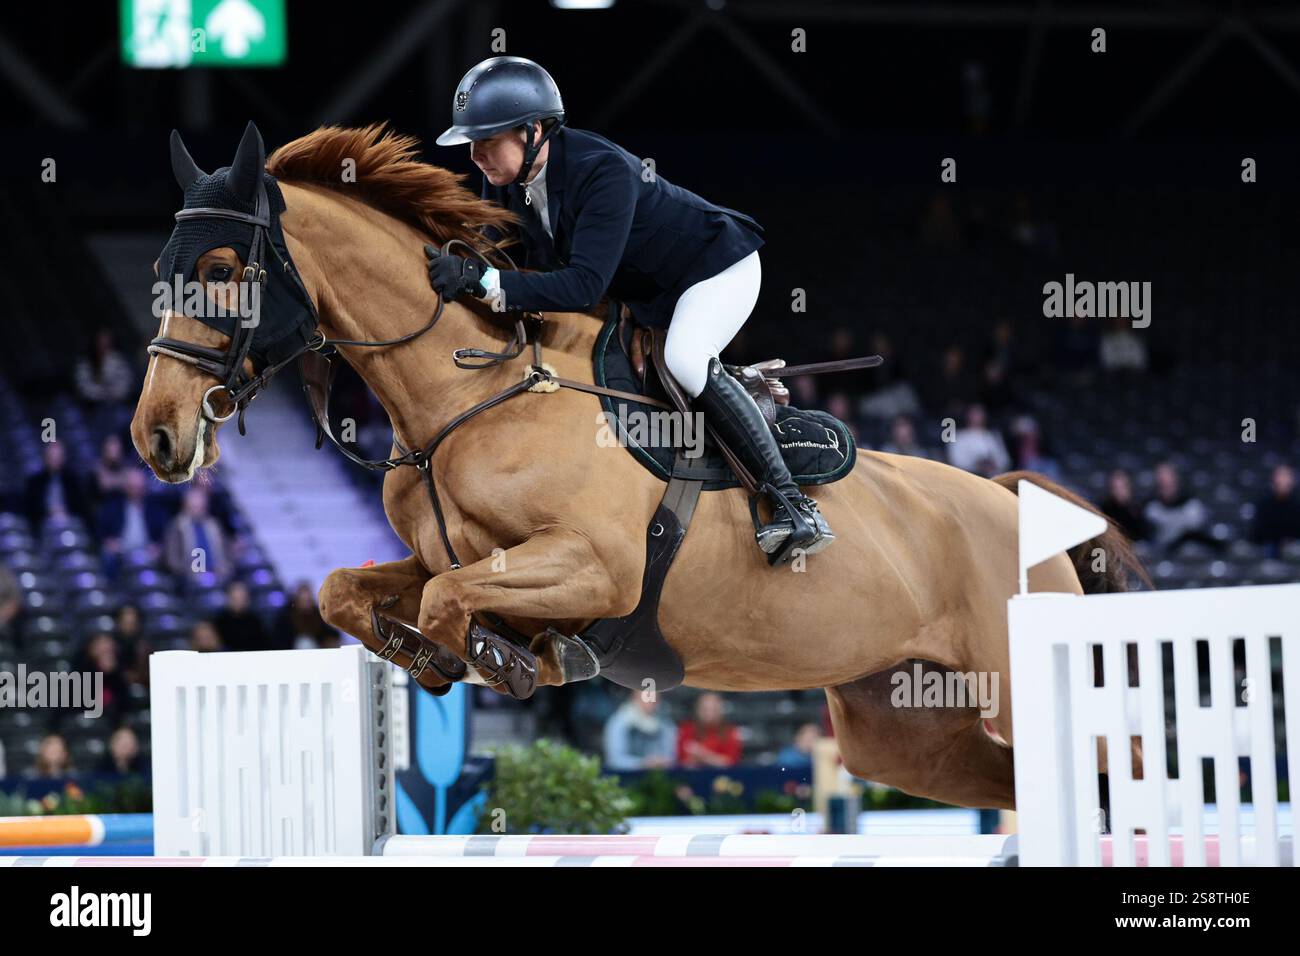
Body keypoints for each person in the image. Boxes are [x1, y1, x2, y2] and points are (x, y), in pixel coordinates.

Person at [427, 56, 831, 564]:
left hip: (714, 270)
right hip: (649, 294)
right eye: (472, 141)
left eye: (486, 139)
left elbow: (580, 287)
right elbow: (504, 258)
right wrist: (459, 269)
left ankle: (792, 504)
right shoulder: (505, 179)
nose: (475, 153)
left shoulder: (602, 171)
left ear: (533, 131)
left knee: (685, 359)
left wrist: (485, 282)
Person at [1144, 462, 1220, 554]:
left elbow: (1197, 533)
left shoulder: (1192, 506)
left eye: (1168, 478)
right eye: (1161, 479)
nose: (1165, 481)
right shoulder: (1151, 509)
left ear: (1176, 479)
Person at [23, 441, 92, 533]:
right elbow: (31, 511)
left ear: (63, 458)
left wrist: (64, 514)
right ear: (45, 457)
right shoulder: (35, 482)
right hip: (44, 526)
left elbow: (81, 508)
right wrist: (50, 513)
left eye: (58, 456)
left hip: (70, 523)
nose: (55, 460)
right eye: (52, 457)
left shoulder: (73, 480)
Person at [602, 689, 676, 772]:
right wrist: (643, 763)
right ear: (635, 698)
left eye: (655, 698)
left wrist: (661, 762)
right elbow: (614, 760)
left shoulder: (665, 724)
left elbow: (670, 757)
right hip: (626, 778)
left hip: (658, 776)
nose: (651, 702)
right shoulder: (619, 722)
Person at [163, 487, 228, 580]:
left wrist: (225, 568)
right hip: (189, 577)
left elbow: (227, 554)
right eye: (194, 507)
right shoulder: (177, 527)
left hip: (217, 574)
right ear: (186, 507)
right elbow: (172, 559)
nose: (198, 511)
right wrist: (188, 572)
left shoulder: (214, 526)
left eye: (201, 508)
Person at [676, 692, 742, 768]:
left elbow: (731, 763)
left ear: (721, 710)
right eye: (704, 709)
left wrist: (702, 754)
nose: (708, 713)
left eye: (714, 709)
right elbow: (682, 763)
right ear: (697, 710)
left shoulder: (730, 732)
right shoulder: (686, 730)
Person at [947, 404, 1011, 477]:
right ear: (967, 416)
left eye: (980, 414)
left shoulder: (992, 436)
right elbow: (956, 461)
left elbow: (1004, 460)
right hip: (968, 477)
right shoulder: (959, 437)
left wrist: (993, 464)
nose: (977, 417)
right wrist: (977, 464)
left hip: (992, 477)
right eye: (974, 414)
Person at [1251, 464, 1300, 554]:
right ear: (1274, 480)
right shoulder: (1264, 503)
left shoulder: (1297, 505)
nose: (1284, 480)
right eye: (1281, 476)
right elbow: (1258, 532)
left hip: (1292, 545)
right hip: (1268, 545)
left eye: (1287, 476)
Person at [274, 582, 339, 649]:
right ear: (297, 600)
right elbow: (280, 639)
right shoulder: (286, 617)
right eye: (303, 600)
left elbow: (330, 633)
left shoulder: (318, 614)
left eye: (308, 600)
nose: (306, 604)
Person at [213, 581, 269, 652]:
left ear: (248, 599)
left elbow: (264, 645)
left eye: (242, 598)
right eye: (234, 598)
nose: (239, 602)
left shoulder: (255, 621)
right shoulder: (218, 622)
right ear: (227, 598)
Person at [1100, 469, 1150, 541]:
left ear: (1129, 487)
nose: (1119, 492)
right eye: (1115, 488)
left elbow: (1144, 533)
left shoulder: (1138, 507)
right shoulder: (1106, 508)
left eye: (1122, 487)